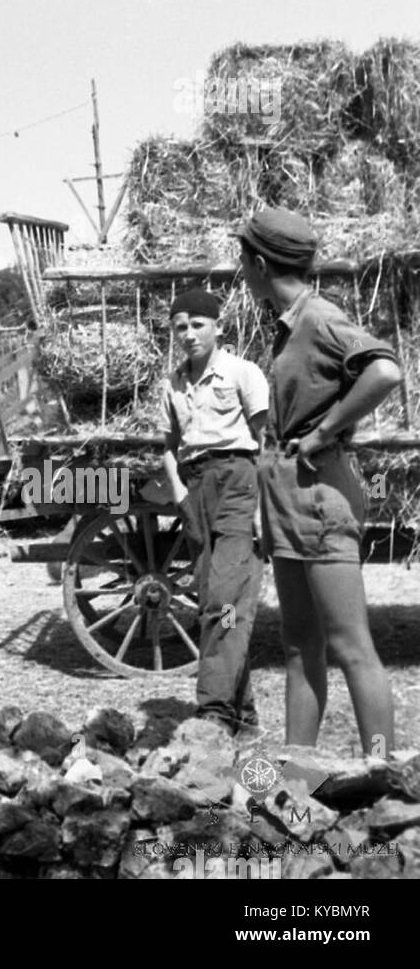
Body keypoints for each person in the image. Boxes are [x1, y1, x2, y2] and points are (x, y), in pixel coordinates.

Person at [237, 208, 401, 755]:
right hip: (288, 492)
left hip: (320, 491)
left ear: (260, 264)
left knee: (349, 645)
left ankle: (386, 778)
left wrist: (325, 430)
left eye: (243, 260)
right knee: (298, 644)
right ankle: (293, 772)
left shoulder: (318, 318)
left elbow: (385, 371)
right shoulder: (288, 322)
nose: (241, 271)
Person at [159, 287, 269, 736]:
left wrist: (263, 505)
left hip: (239, 484)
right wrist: (179, 493)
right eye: (180, 328)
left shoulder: (242, 372)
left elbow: (267, 441)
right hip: (197, 489)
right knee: (213, 603)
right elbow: (168, 446)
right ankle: (244, 717)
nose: (188, 335)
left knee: (226, 599)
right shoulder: (173, 383)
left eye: (197, 325)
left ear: (218, 327)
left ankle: (214, 713)